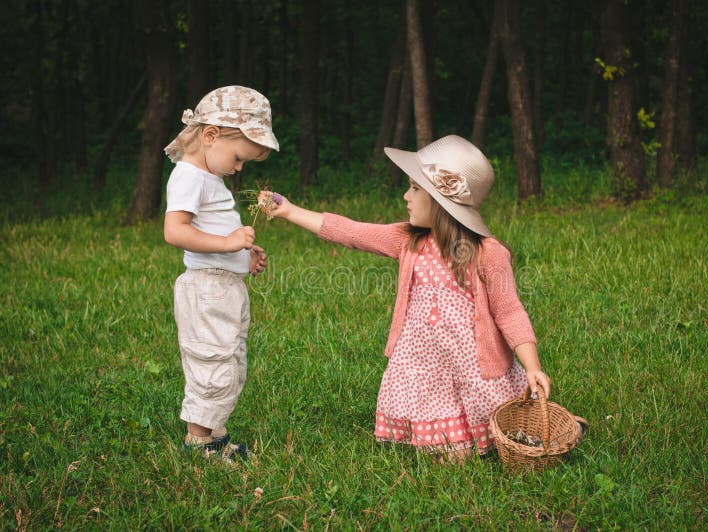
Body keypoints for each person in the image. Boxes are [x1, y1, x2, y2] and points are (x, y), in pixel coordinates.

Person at [259, 135, 550, 463]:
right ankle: (452, 438)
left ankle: (486, 435)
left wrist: (533, 367)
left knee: (492, 433)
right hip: (424, 363)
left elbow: (509, 311)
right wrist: (290, 211)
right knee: (452, 455)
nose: (405, 196)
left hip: (471, 366)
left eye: (414, 189)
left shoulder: (487, 253)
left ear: (440, 200)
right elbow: (352, 232)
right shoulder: (409, 241)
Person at [163, 85, 280, 461]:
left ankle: (215, 435)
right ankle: (199, 444)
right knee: (211, 363)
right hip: (206, 290)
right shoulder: (188, 176)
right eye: (239, 158)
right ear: (211, 136)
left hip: (223, 288)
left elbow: (212, 234)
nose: (239, 168)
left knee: (228, 362)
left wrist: (243, 256)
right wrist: (229, 243)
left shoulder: (208, 178)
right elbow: (175, 231)